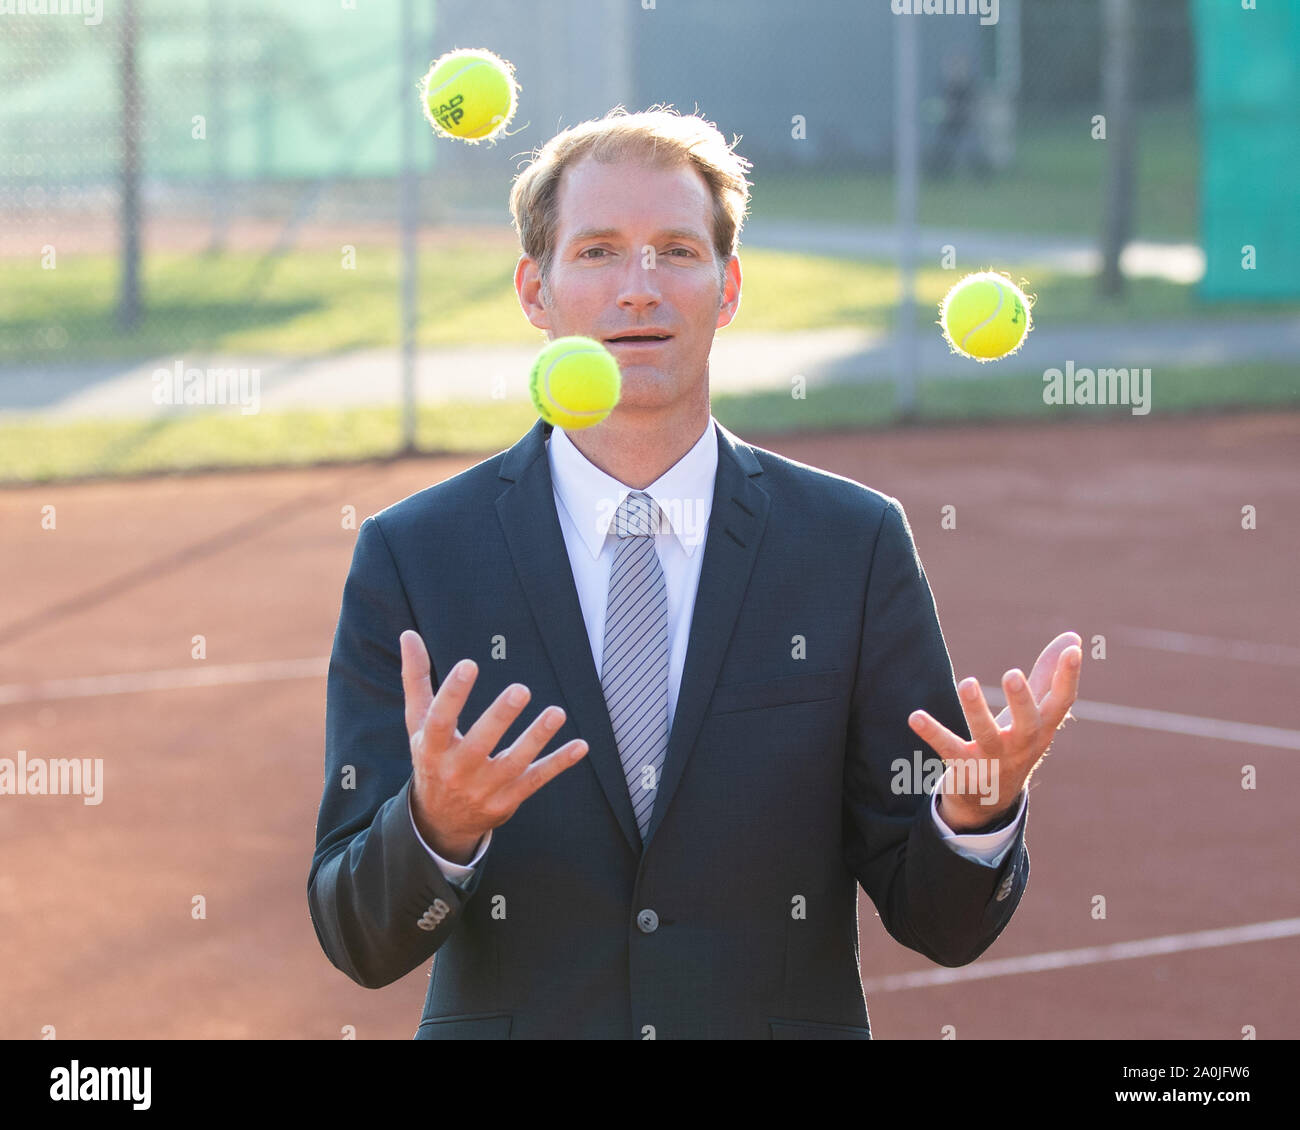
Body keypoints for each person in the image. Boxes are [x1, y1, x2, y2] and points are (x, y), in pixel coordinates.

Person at [308, 106, 1081, 1040]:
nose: (641, 290)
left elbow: (940, 923)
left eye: (676, 250)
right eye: (597, 252)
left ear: (728, 286)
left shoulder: (852, 543)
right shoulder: (415, 553)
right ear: (533, 288)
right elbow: (357, 936)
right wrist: (436, 829)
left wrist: (975, 813)